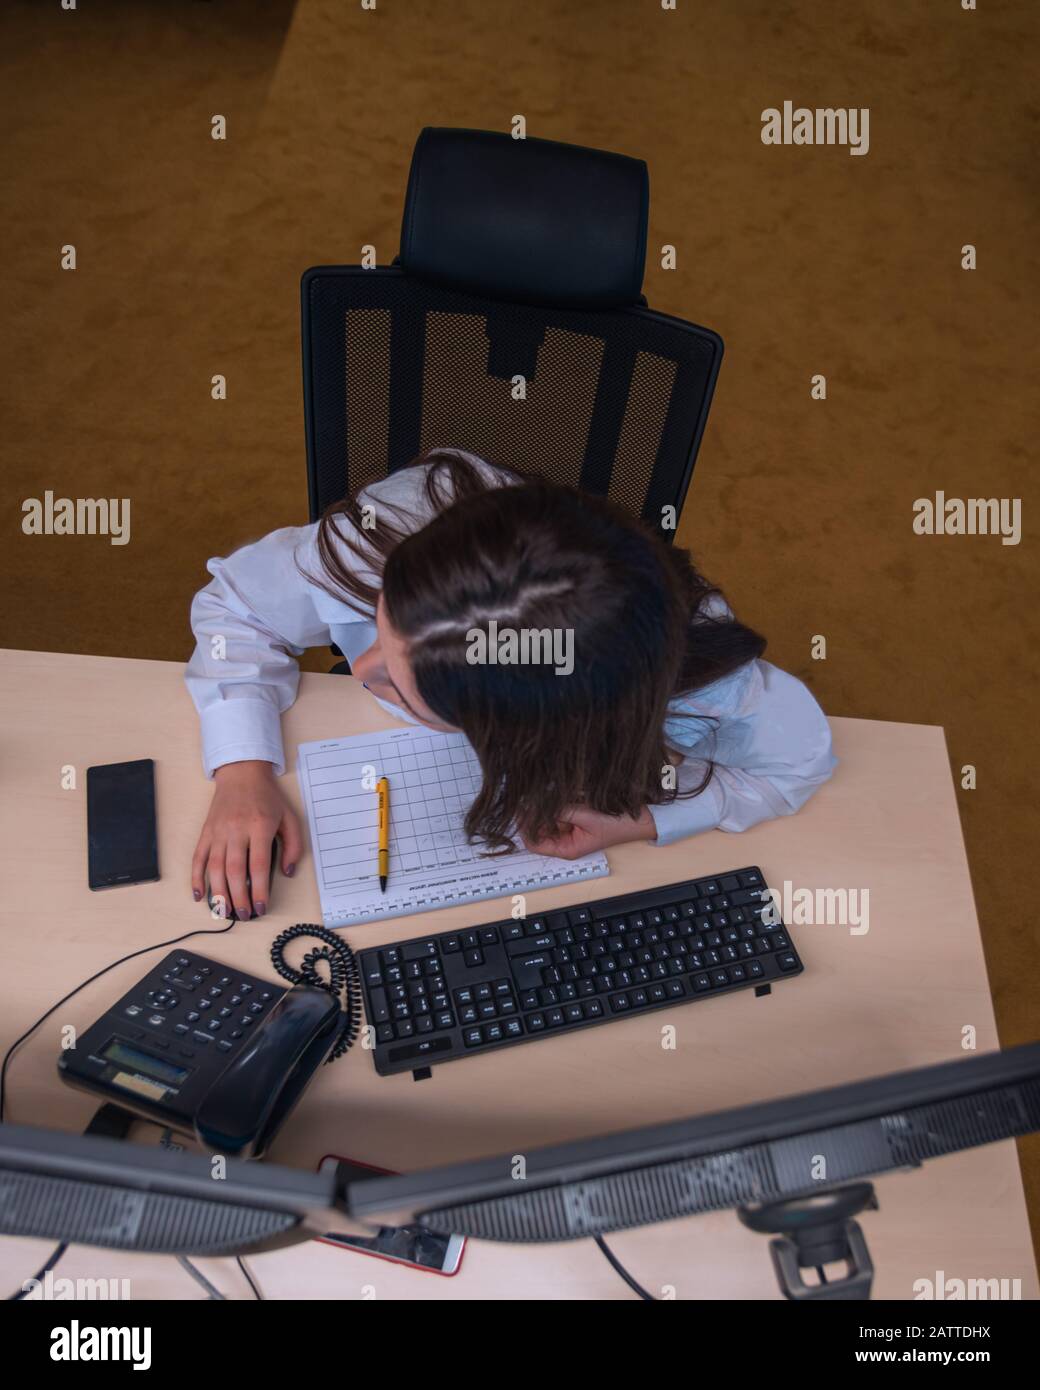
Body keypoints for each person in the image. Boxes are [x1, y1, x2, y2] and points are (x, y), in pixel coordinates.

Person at [186, 447, 836, 919]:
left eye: (409, 689)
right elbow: (236, 610)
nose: (359, 669)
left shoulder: (701, 688)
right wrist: (243, 771)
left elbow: (799, 760)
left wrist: (636, 822)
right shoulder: (397, 527)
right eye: (384, 625)